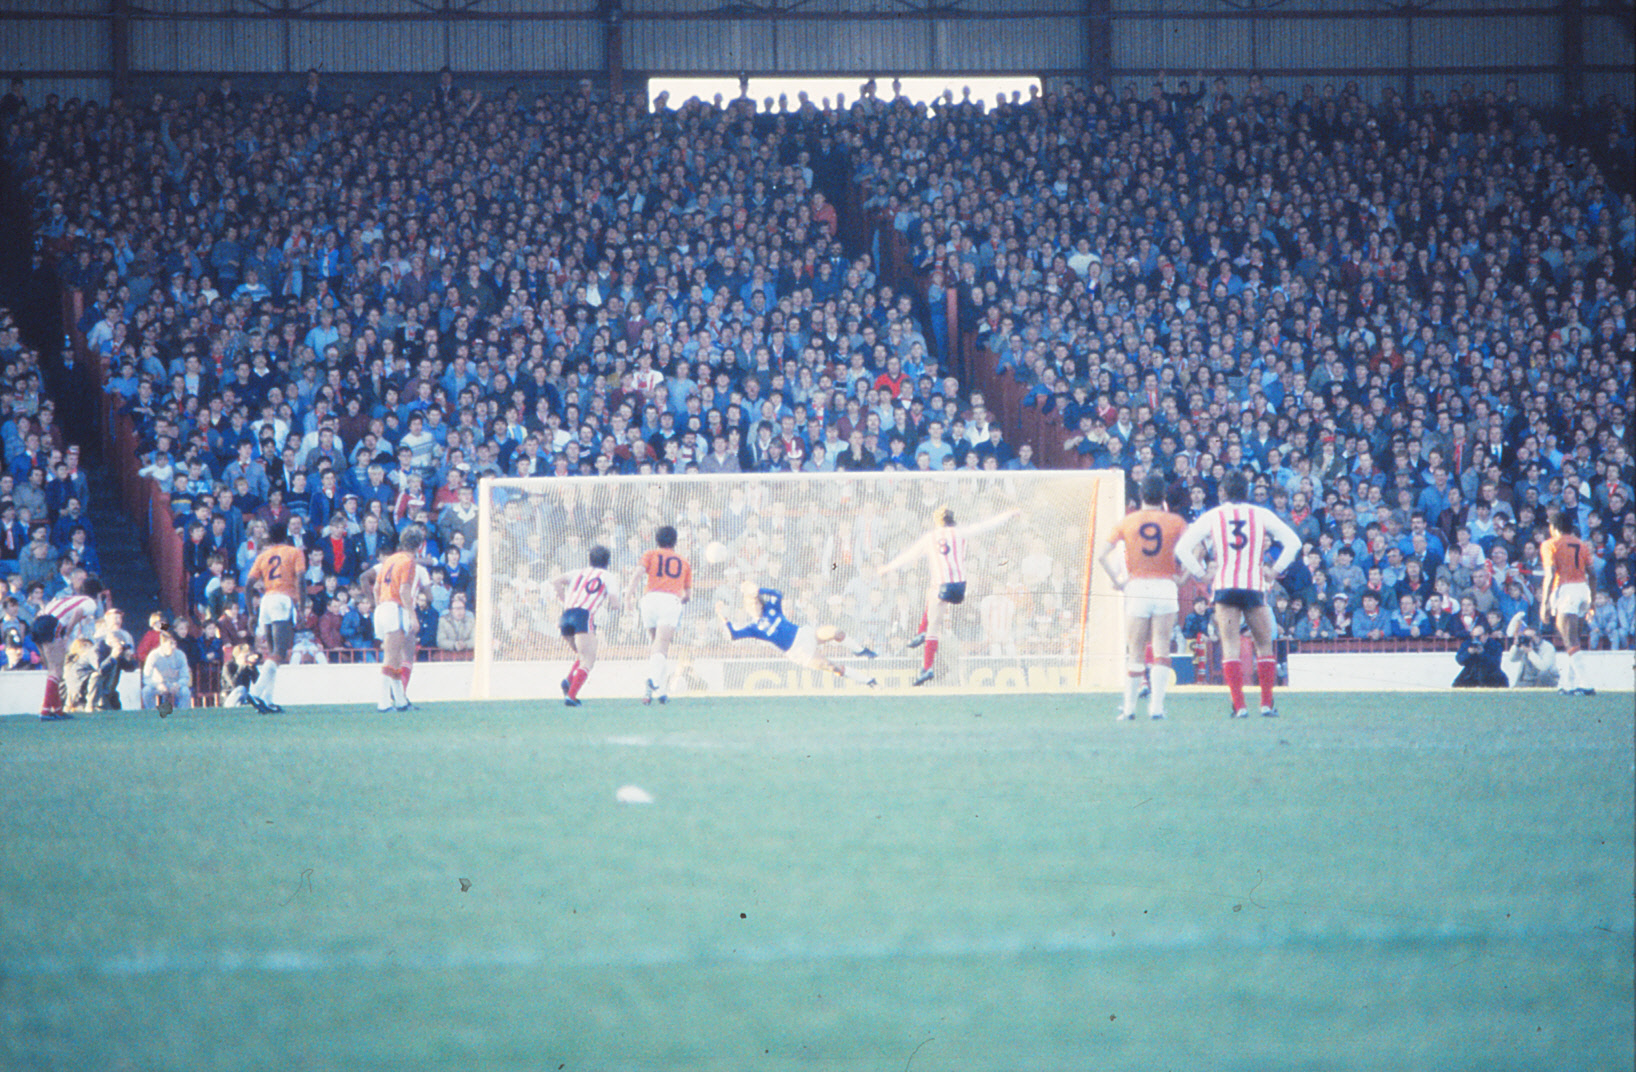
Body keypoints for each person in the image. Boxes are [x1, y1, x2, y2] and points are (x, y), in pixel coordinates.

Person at [1175, 470, 1301, 718]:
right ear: (1248, 491)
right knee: (1264, 645)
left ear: (1223, 492)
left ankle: (1240, 706)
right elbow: (1294, 543)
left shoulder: (1214, 515)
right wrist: (1274, 570)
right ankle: (1266, 704)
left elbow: (1182, 548)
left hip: (1225, 586)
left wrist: (1200, 573)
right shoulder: (1261, 514)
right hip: (1253, 586)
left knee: (1230, 646)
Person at [882, 504, 1019, 686]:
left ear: (937, 522)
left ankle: (927, 666)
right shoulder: (961, 532)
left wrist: (888, 567)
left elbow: (909, 555)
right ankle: (921, 633)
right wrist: (1008, 514)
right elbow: (986, 525)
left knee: (934, 623)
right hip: (960, 587)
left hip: (944, 587)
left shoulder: (930, 537)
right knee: (932, 593)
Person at [1097, 472, 1188, 720]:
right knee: (1161, 647)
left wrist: (1118, 581)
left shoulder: (1128, 521)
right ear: (1163, 496)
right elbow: (1196, 549)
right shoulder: (1175, 521)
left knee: (1135, 649)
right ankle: (1157, 708)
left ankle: (1129, 709)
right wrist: (1184, 576)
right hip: (1166, 587)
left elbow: (1102, 554)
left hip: (1137, 587)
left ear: (1141, 495)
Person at [716, 582, 877, 688]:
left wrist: (758, 590)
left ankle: (860, 651)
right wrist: (723, 618)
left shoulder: (771, 609)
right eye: (750, 604)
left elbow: (778, 593)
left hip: (804, 634)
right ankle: (868, 680)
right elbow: (734, 636)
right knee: (832, 667)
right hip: (798, 652)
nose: (754, 605)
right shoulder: (753, 627)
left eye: (756, 601)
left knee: (836, 632)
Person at [359, 524, 426, 712]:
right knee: (390, 657)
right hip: (395, 608)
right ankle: (383, 702)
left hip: (383, 608)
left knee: (395, 657)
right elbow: (404, 590)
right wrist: (412, 615)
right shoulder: (408, 561)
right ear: (419, 545)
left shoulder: (390, 560)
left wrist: (378, 605)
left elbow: (375, 588)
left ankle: (400, 701)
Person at [245, 519, 306, 712]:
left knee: (272, 654)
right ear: (287, 535)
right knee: (280, 653)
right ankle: (255, 693)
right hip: (282, 599)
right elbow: (301, 579)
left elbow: (248, 586)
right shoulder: (295, 552)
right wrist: (302, 607)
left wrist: (250, 613)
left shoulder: (263, 556)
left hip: (266, 601)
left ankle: (268, 700)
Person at [552, 544, 621, 707]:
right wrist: (617, 606)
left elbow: (556, 581)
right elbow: (615, 604)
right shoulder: (608, 576)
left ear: (589, 559)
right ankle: (571, 696)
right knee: (589, 659)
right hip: (583, 616)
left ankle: (568, 681)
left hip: (566, 615)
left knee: (583, 654)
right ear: (608, 561)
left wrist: (564, 599)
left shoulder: (578, 572)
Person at [632, 524, 692, 705]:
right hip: (669, 601)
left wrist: (628, 595)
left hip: (649, 600)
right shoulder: (683, 561)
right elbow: (688, 594)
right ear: (675, 542)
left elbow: (638, 574)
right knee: (662, 644)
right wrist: (682, 601)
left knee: (656, 645)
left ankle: (661, 692)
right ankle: (652, 680)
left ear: (656, 540)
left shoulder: (650, 554)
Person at [30, 573, 104, 719]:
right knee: (56, 671)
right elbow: (78, 612)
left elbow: (42, 617)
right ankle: (45, 711)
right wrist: (66, 635)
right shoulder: (90, 602)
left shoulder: (69, 598)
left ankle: (57, 710)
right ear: (98, 593)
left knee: (54, 669)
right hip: (51, 624)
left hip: (39, 623)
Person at [1540, 511, 1597, 696]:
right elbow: (1593, 574)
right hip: (1583, 589)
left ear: (1553, 527)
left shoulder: (1550, 544)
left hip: (1566, 590)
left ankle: (1586, 684)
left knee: (1568, 638)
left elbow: (1550, 574)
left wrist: (1544, 603)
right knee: (1574, 639)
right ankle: (1569, 684)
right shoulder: (1581, 544)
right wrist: (1593, 602)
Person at [1500, 611, 1559, 689]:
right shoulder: (1524, 645)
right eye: (1526, 637)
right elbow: (1512, 659)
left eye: (1531, 637)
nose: (1529, 639)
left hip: (1543, 680)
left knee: (1544, 674)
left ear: (1538, 637)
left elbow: (1544, 667)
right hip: (1527, 680)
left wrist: (1530, 652)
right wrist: (1516, 646)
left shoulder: (1548, 647)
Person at [142, 627, 193, 715]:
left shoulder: (180, 655)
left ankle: (182, 715)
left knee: (185, 691)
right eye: (170, 643)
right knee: (146, 691)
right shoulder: (154, 655)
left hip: (175, 684)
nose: (173, 646)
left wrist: (178, 684)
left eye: (175, 643)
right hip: (159, 684)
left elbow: (185, 676)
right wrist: (157, 685)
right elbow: (146, 677)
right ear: (162, 643)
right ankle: (151, 714)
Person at [1452, 623, 1508, 687]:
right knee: (1456, 685)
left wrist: (1482, 653)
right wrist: (1468, 653)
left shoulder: (1495, 645)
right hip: (1471, 672)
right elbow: (1460, 660)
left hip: (1490, 673)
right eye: (1474, 636)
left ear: (1486, 635)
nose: (1476, 639)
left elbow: (1495, 663)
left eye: (1478, 637)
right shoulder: (1467, 643)